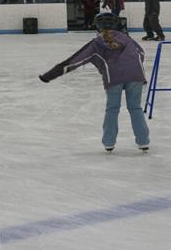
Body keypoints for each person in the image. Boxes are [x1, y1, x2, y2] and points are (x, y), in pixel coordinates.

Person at [38, 12, 150, 153]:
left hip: (113, 76)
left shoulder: (96, 43)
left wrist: (49, 76)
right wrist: (130, 67)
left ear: (97, 26)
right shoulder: (127, 38)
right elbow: (141, 53)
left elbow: (74, 62)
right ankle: (143, 142)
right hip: (136, 74)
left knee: (112, 109)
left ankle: (109, 143)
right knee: (135, 108)